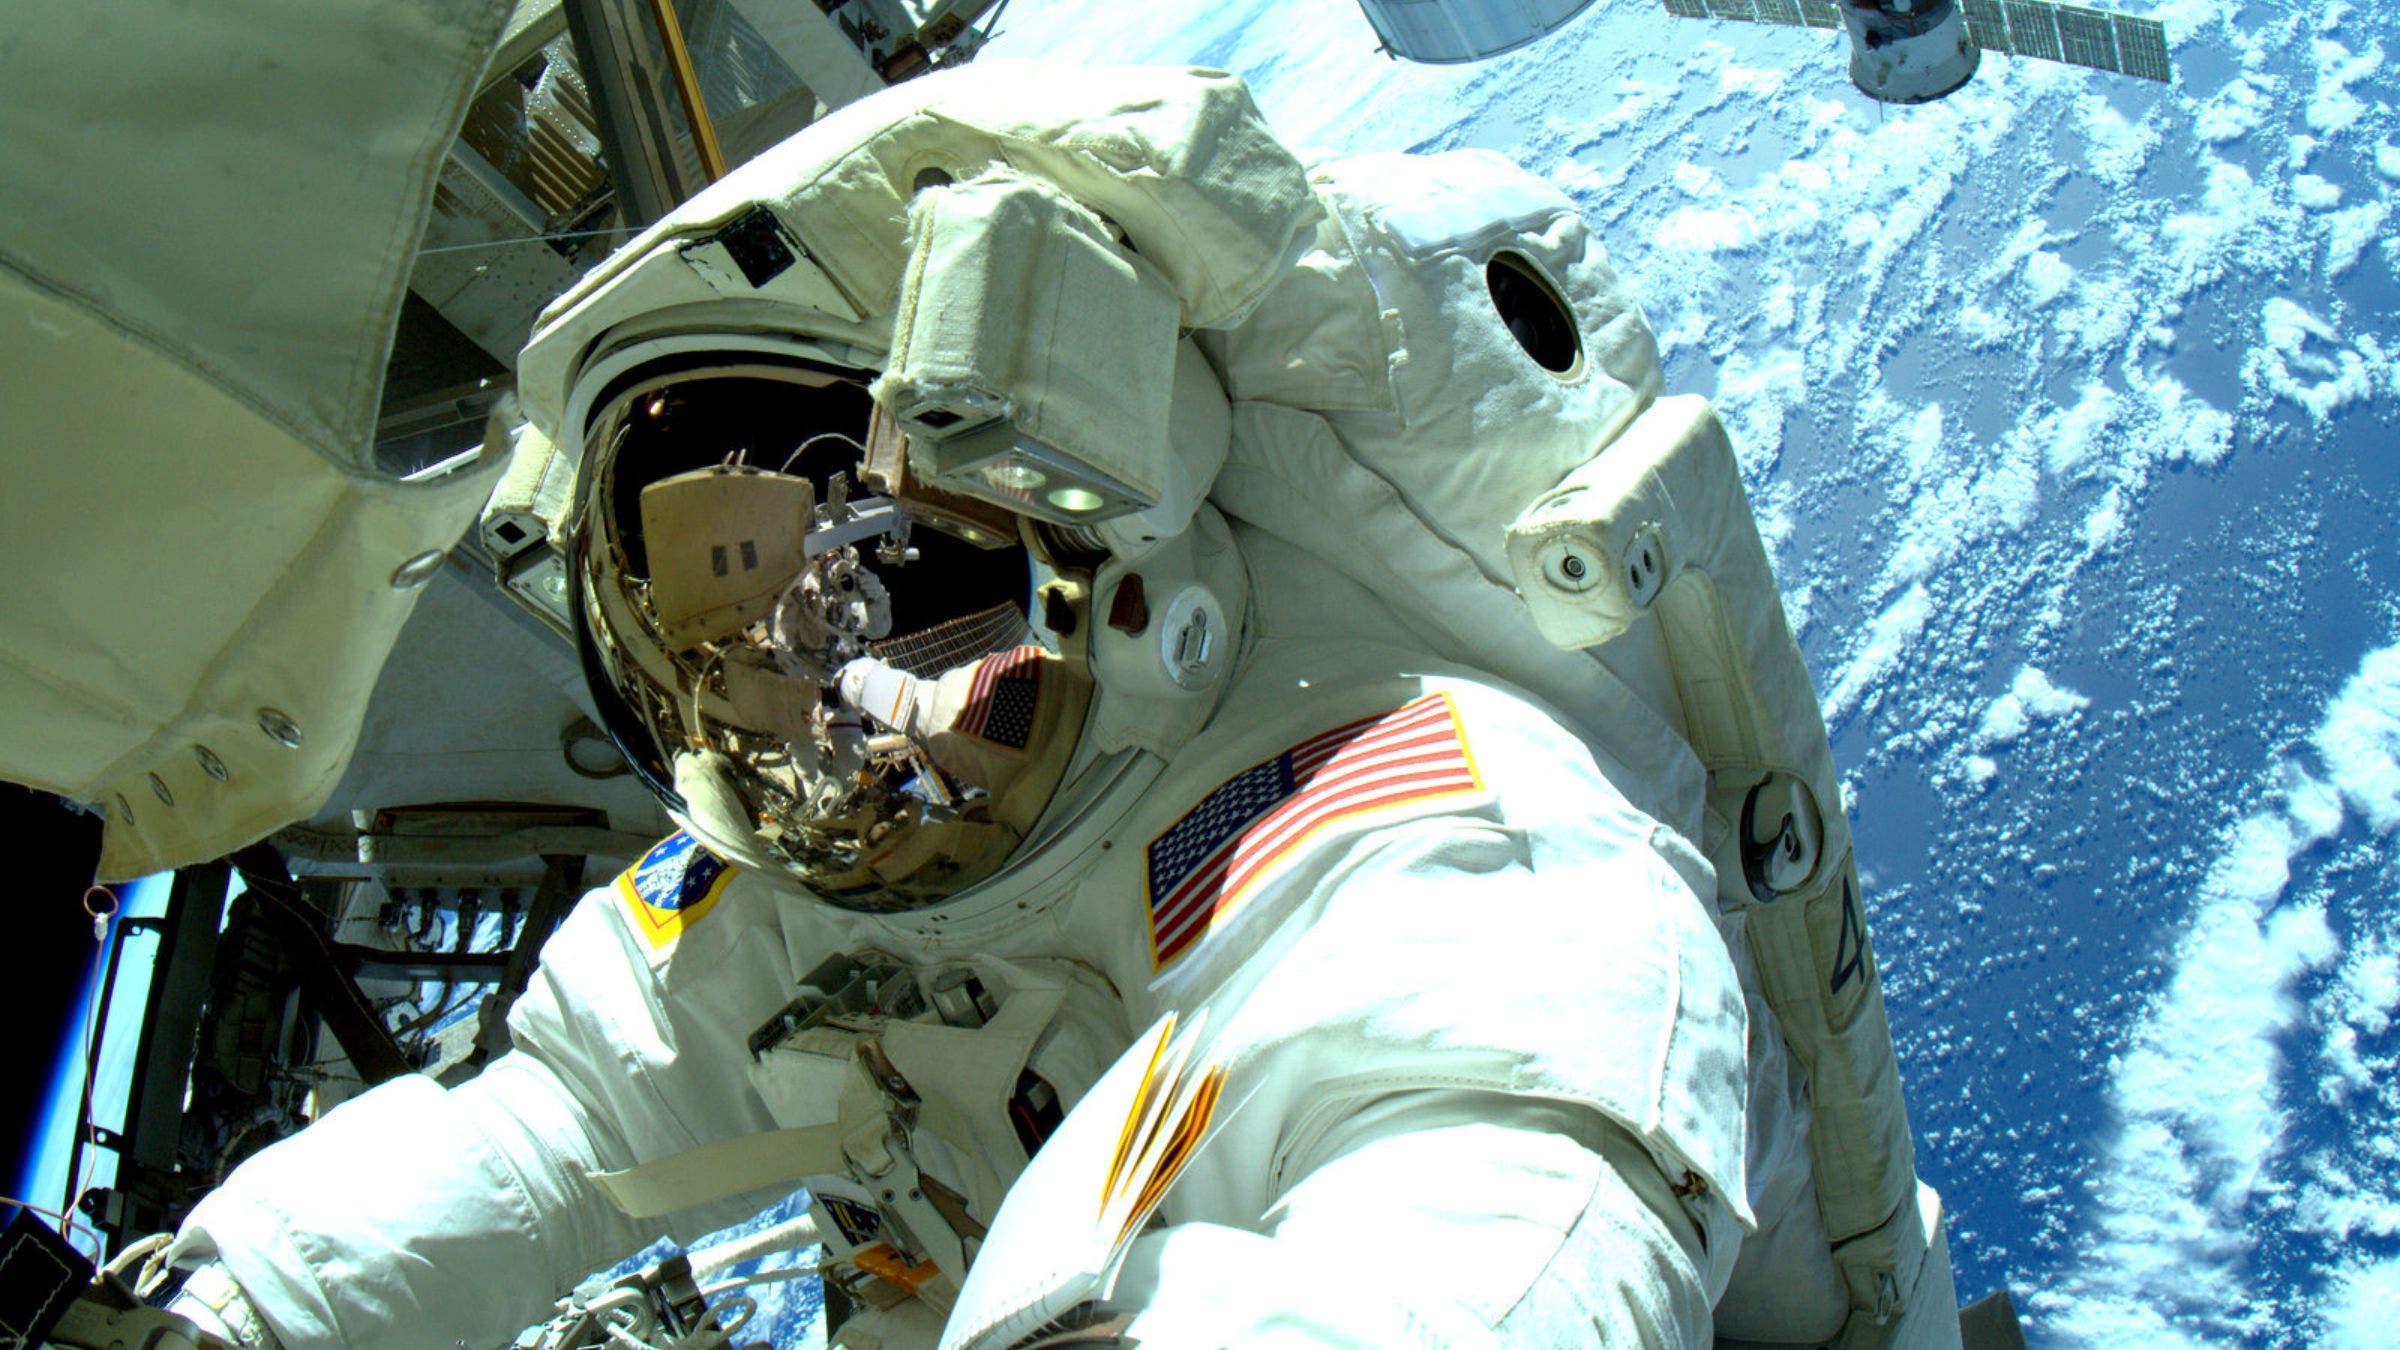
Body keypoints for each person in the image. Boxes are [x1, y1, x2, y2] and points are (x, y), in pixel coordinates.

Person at [157, 63, 1788, 1348]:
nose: (806, 720)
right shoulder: (793, 875)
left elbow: (1498, 1215)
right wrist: (231, 1316)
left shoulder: (1429, 828)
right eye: (714, 646)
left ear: (1115, 561)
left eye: (879, 609)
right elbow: (552, 1127)